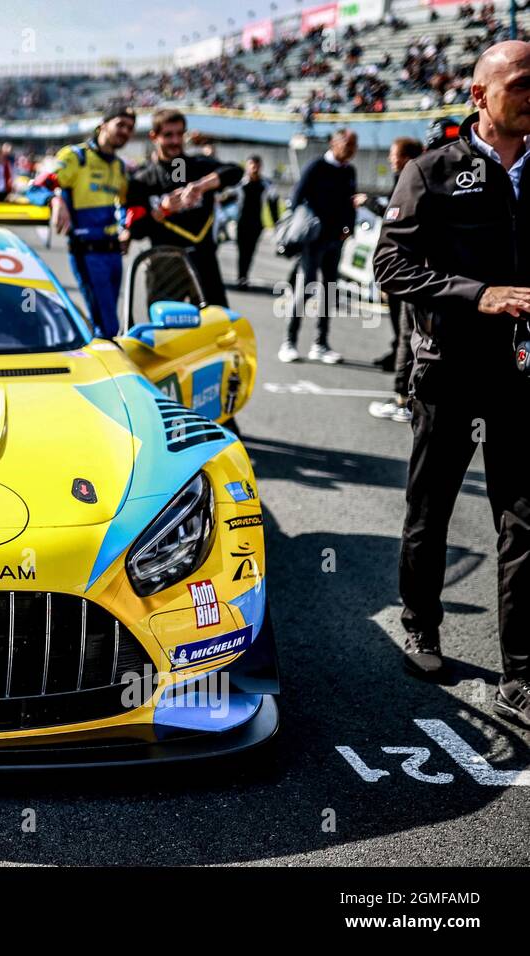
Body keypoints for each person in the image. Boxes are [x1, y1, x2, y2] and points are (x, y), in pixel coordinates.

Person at [373, 41, 530, 726]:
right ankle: (421, 624)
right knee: (431, 507)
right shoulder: (431, 170)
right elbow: (391, 266)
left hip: (524, 373)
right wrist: (477, 294)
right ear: (479, 95)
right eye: (523, 83)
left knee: (524, 520)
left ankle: (522, 673)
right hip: (449, 369)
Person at [126, 109, 243, 309]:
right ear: (154, 136)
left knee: (217, 327)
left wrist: (200, 186)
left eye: (180, 134)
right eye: (168, 135)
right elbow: (136, 230)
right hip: (164, 264)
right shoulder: (142, 180)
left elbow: (235, 171)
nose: (175, 141)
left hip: (203, 260)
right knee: (167, 332)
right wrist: (162, 210)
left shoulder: (197, 166)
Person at [38, 106, 135, 338]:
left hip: (114, 253)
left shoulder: (120, 166)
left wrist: (126, 228)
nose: (125, 131)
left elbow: (124, 204)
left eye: (130, 128)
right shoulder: (75, 156)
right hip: (88, 252)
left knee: (110, 321)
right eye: (120, 124)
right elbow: (37, 186)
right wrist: (56, 200)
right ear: (103, 125)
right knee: (106, 326)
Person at [279, 129, 368, 364]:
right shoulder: (316, 166)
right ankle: (289, 341)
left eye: (354, 145)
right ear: (334, 143)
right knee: (304, 288)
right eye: (348, 144)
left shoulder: (349, 170)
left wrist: (348, 230)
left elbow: (350, 204)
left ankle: (320, 344)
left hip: (335, 240)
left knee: (330, 291)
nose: (351, 150)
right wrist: (306, 223)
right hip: (313, 240)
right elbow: (296, 198)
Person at [367, 136, 426, 424]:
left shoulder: (415, 177)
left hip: (411, 272)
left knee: (409, 334)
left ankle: (404, 397)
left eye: (394, 154)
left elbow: (397, 223)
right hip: (421, 272)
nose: (391, 159)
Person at [228, 155, 280, 289]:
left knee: (250, 251)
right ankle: (241, 276)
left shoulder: (267, 184)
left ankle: (244, 277)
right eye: (251, 164)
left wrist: (277, 225)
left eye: (257, 165)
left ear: (260, 167)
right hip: (241, 222)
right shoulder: (240, 183)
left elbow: (273, 205)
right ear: (247, 166)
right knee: (242, 250)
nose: (254, 168)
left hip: (256, 224)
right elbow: (227, 199)